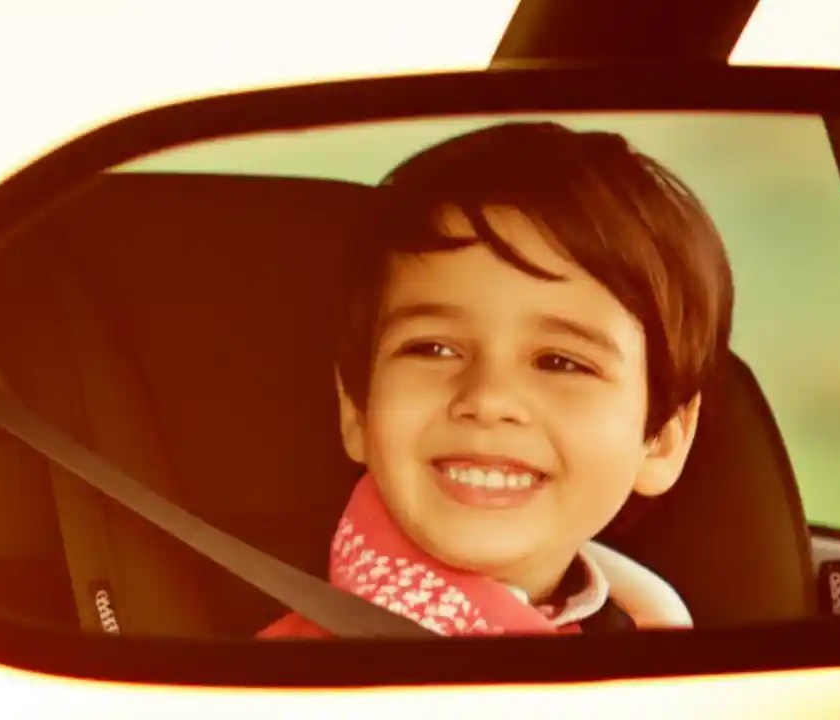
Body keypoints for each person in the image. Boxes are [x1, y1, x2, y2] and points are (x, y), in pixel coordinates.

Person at [259, 121, 733, 638]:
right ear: (356, 408)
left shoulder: (648, 633)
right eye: (433, 348)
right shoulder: (290, 684)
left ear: (662, 437)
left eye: (561, 362)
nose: (487, 399)